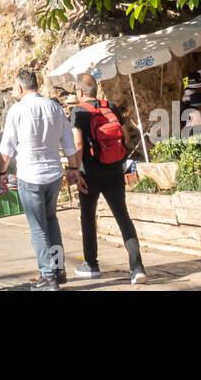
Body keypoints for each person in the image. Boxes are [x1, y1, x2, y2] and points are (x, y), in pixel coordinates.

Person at [0, 70, 80, 291]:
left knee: (38, 228)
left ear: (21, 88)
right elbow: (69, 143)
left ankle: (47, 276)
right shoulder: (54, 107)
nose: (15, 90)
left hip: (30, 176)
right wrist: (73, 168)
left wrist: (2, 173)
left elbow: (6, 150)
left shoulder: (17, 111)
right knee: (51, 220)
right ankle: (59, 269)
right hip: (53, 175)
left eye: (15, 86)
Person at [70, 73, 146, 284]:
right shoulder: (110, 106)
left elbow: (78, 144)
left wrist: (74, 169)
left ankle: (91, 264)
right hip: (114, 171)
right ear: (95, 91)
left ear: (79, 92)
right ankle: (137, 268)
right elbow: (126, 136)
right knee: (123, 217)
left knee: (88, 216)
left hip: (89, 175)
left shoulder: (77, 112)